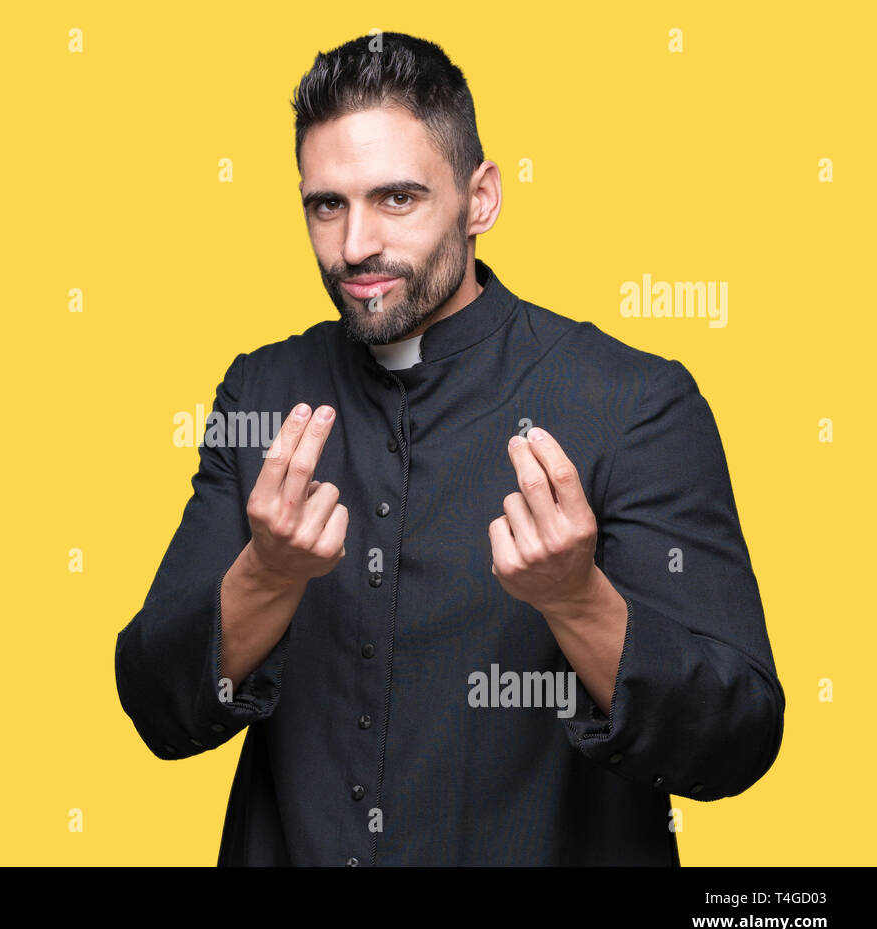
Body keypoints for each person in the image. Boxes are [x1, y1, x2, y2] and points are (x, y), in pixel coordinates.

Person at [114, 31, 784, 865]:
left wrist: (577, 599)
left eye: (396, 199)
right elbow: (156, 707)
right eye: (326, 205)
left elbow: (738, 740)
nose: (354, 245)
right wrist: (268, 576)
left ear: (481, 200)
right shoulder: (262, 393)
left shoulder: (635, 402)